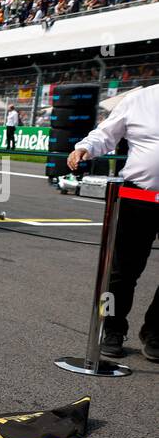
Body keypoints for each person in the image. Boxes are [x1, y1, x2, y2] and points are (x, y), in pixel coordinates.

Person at [68, 83, 159, 361]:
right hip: (138, 197)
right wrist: (84, 148)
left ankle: (155, 332)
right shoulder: (141, 98)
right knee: (122, 271)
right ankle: (112, 329)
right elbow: (105, 134)